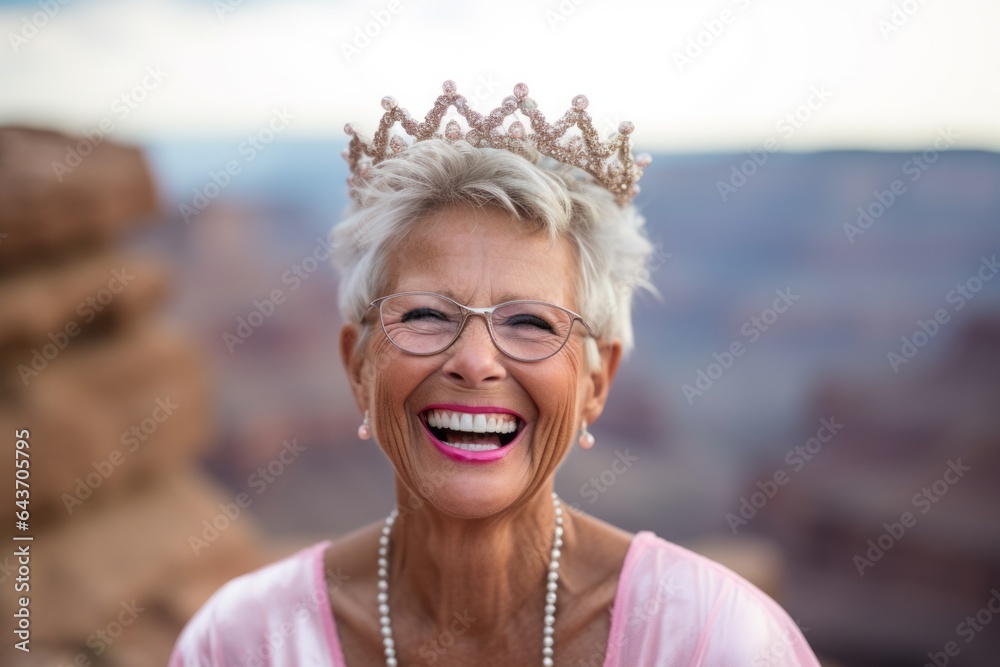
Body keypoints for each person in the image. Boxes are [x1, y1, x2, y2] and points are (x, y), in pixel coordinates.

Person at [169, 81, 821, 666]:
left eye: (531, 322)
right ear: (358, 366)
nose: (476, 361)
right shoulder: (239, 643)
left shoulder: (718, 642)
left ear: (597, 382)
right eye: (426, 314)